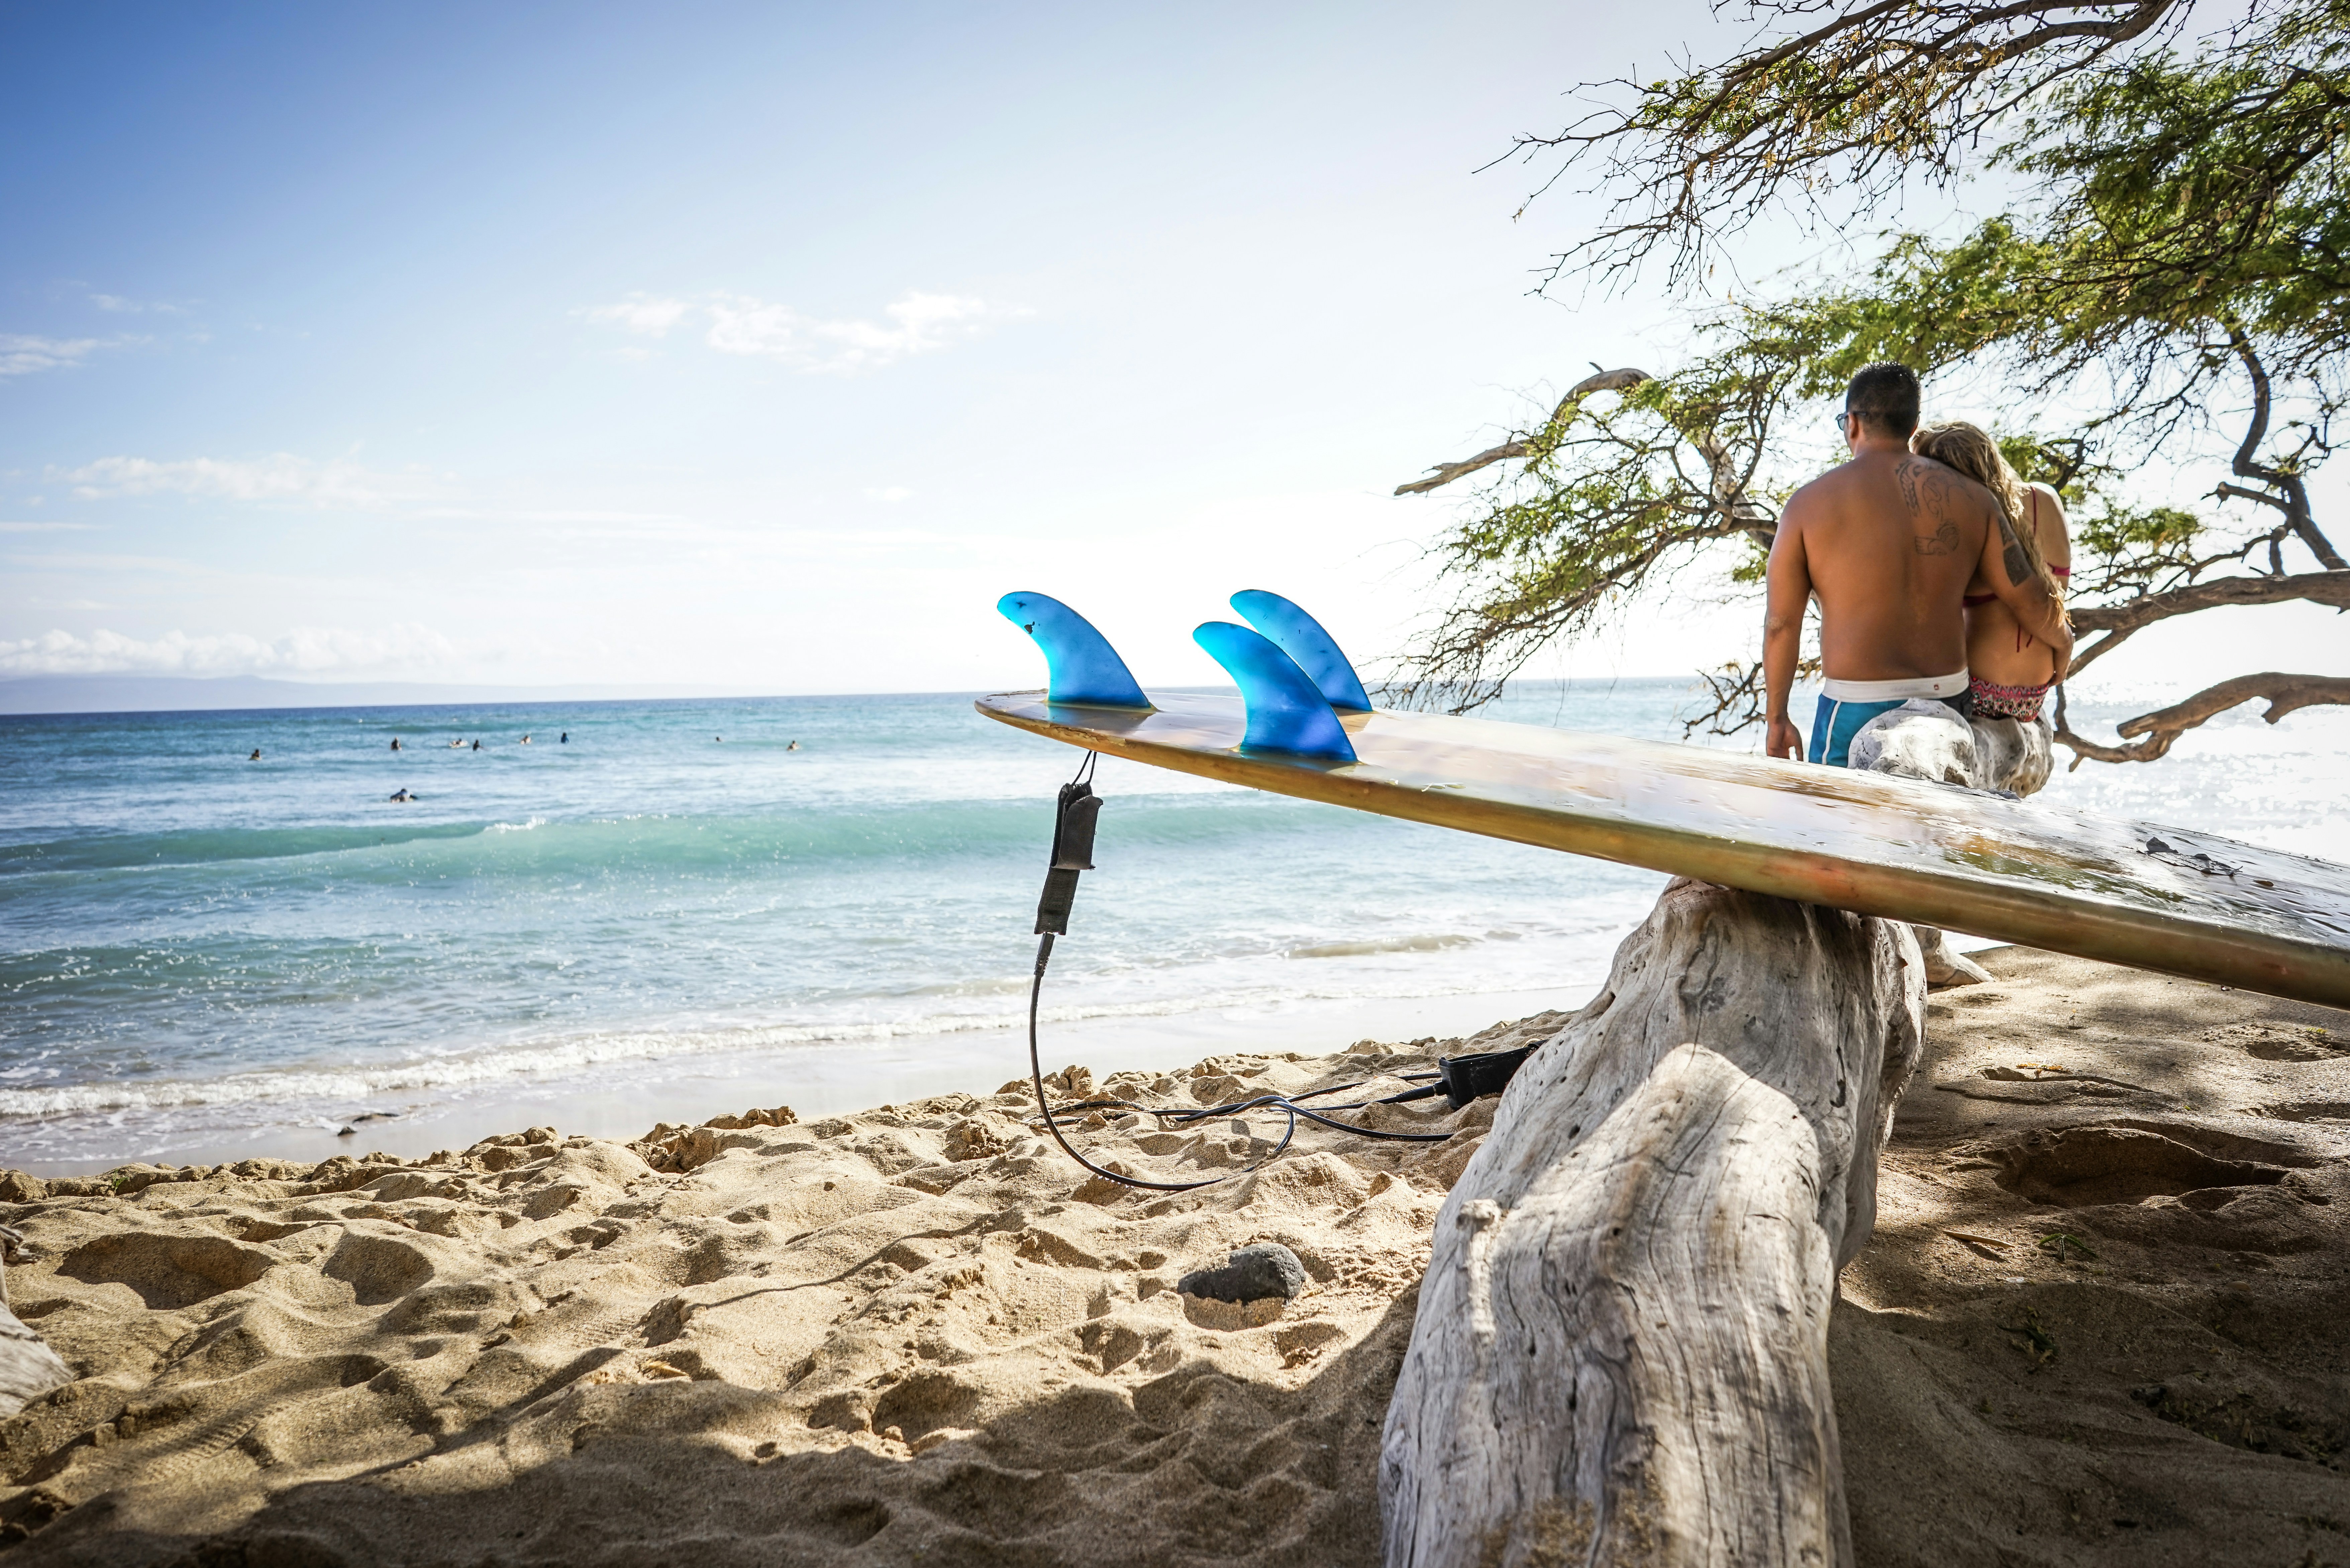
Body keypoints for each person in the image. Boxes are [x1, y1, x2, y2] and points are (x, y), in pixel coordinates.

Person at [1764, 363, 2071, 766]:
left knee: (1832, 824)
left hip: (1855, 706)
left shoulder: (1808, 504)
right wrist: (2064, 641)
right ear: (1913, 426)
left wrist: (1777, 718)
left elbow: (1781, 624)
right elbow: (2026, 594)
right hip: (1946, 700)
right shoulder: (1974, 499)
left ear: (1852, 424)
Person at [1911, 422, 2072, 724]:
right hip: (2033, 694)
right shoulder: (2045, 498)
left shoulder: (1962, 515)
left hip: (1974, 691)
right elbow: (2056, 594)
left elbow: (2027, 602)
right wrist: (2064, 642)